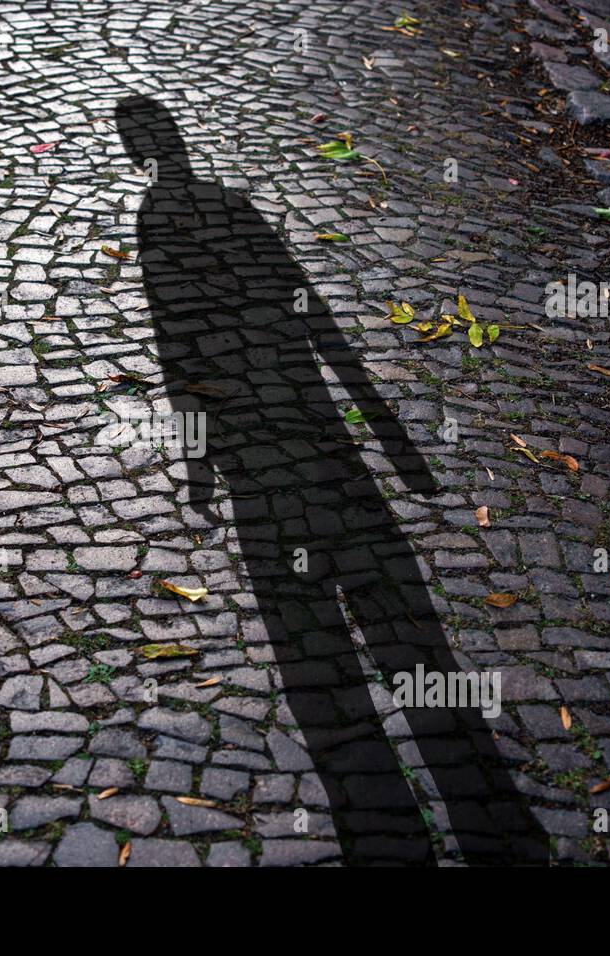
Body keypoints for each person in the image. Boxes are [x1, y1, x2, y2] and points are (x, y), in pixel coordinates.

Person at [115, 95, 547, 865]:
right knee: (399, 616)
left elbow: (175, 341)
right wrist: (389, 435)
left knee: (313, 649)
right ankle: (488, 814)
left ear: (135, 154)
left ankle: (376, 823)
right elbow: (310, 311)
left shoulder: (156, 227)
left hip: (251, 446)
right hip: (311, 422)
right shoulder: (236, 206)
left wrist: (198, 460)